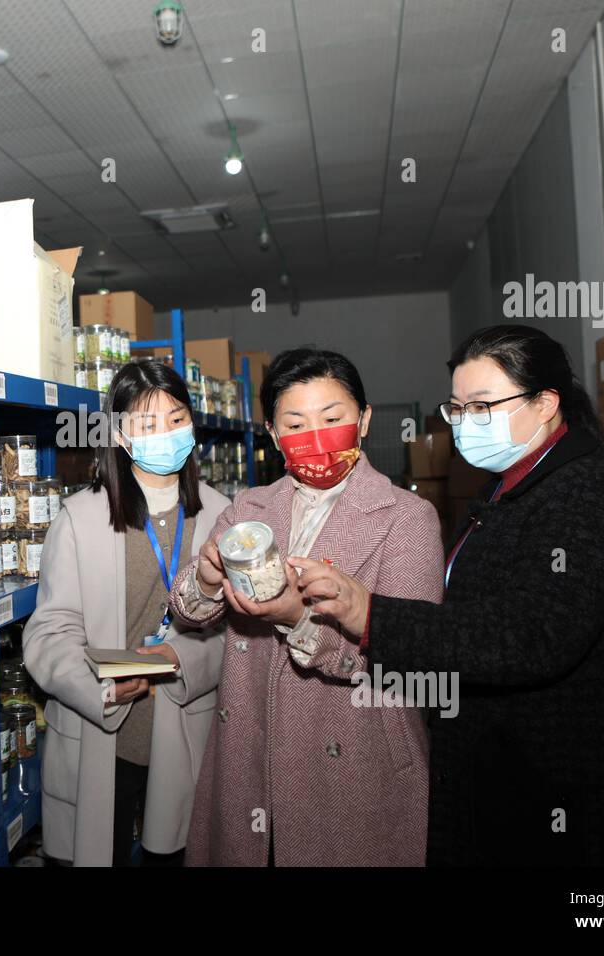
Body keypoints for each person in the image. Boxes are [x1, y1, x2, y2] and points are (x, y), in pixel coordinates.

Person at [300, 325, 604, 866]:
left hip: (590, 801)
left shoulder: (587, 498)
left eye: (482, 405)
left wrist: (371, 613)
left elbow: (532, 636)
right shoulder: (514, 483)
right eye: (457, 408)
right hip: (521, 780)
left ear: (545, 404)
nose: (465, 423)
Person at [168, 348, 445, 866]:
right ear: (273, 435)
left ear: (363, 420)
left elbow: (414, 655)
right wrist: (205, 581)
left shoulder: (407, 518)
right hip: (249, 750)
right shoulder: (249, 507)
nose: (315, 436)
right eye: (295, 423)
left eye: (333, 418)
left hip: (355, 755)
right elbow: (187, 611)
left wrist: (300, 621)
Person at [23, 360, 231, 867]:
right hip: (102, 732)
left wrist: (183, 658)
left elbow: (239, 631)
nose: (166, 433)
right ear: (118, 433)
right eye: (146, 422)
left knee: (176, 851)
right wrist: (98, 686)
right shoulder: (80, 518)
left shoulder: (224, 514)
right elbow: (50, 633)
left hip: (185, 732)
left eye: (177, 418)